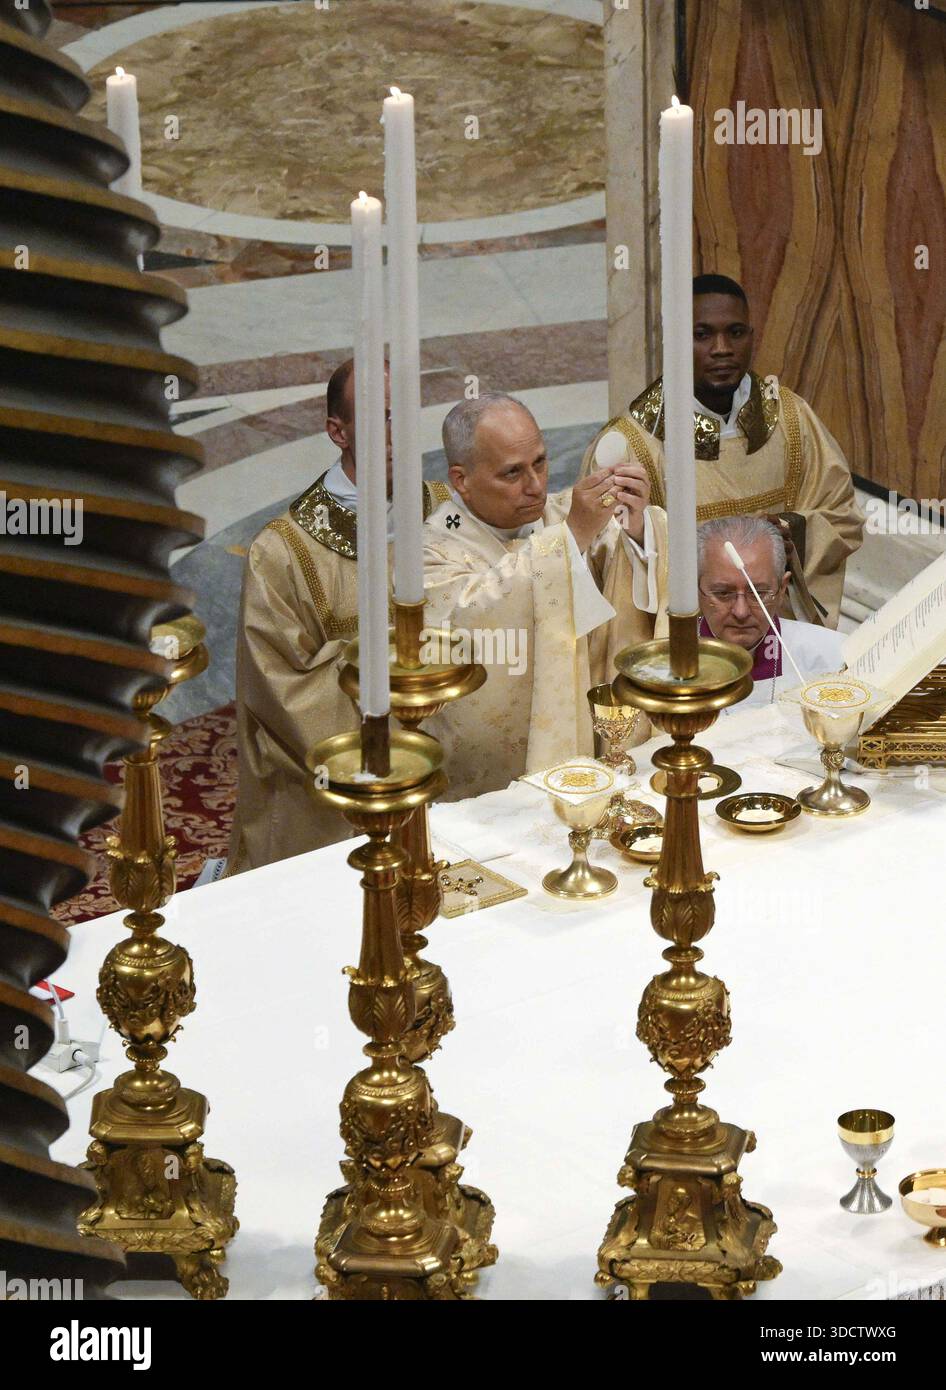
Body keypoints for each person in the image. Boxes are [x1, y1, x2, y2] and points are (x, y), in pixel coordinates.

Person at [227, 359, 449, 873]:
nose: (399, 433)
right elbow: (282, 692)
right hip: (334, 803)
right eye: (382, 417)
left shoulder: (445, 512)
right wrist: (397, 677)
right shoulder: (280, 553)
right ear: (338, 431)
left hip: (447, 777)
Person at [580, 274, 863, 627]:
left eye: (735, 332)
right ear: (675, 342)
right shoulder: (631, 445)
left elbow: (842, 517)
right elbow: (600, 558)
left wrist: (791, 533)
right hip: (684, 644)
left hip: (778, 634)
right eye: (702, 335)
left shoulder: (791, 419)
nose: (722, 348)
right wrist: (652, 542)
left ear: (752, 337)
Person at [423, 393, 668, 799]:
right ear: (461, 480)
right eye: (512, 473)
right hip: (492, 785)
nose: (536, 486)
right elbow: (469, 625)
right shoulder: (431, 551)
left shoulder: (561, 513)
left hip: (590, 750)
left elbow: (622, 568)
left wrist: (639, 526)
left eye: (540, 462)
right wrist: (570, 539)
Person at [697, 515, 843, 708]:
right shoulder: (664, 664)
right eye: (723, 593)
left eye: (758, 593)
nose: (741, 612)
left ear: (782, 589)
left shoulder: (834, 657)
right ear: (696, 589)